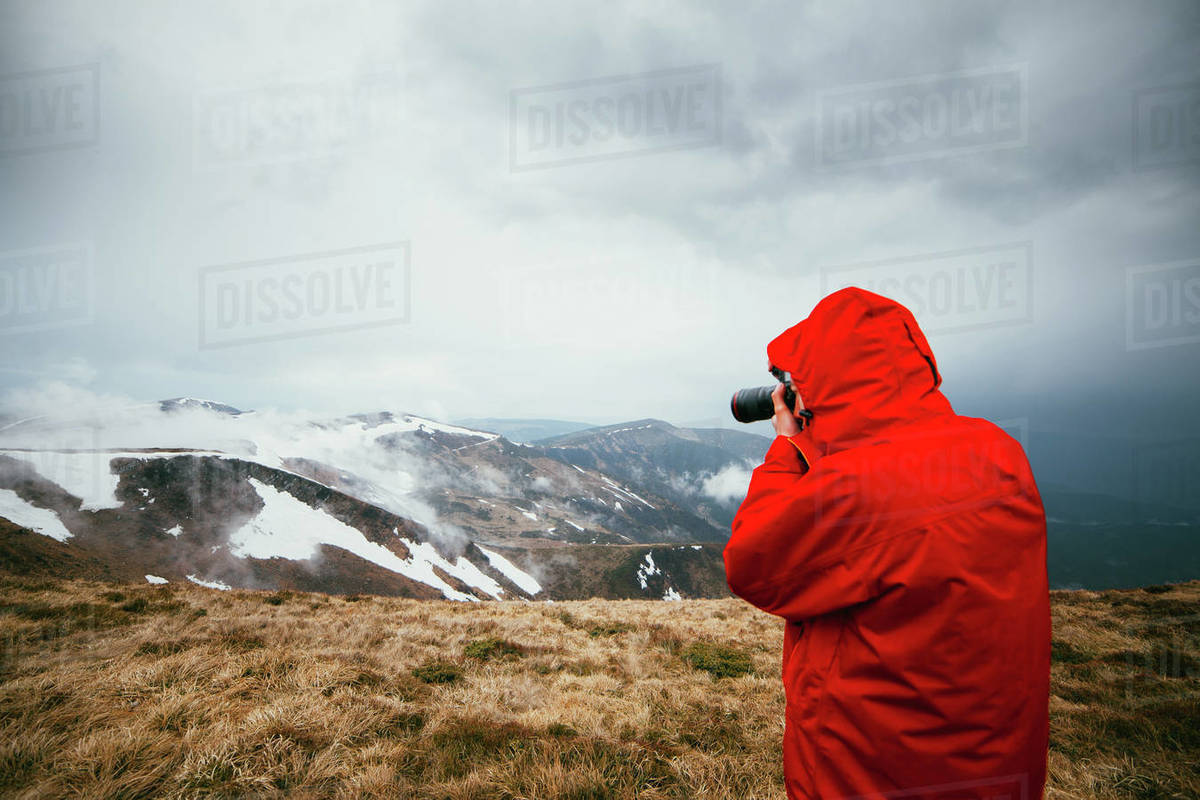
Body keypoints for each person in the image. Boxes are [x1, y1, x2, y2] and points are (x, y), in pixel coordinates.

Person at [725, 287, 1049, 800]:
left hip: (871, 773)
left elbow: (750, 564)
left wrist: (789, 446)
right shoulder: (1000, 453)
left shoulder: (858, 486)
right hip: (995, 766)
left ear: (826, 383)